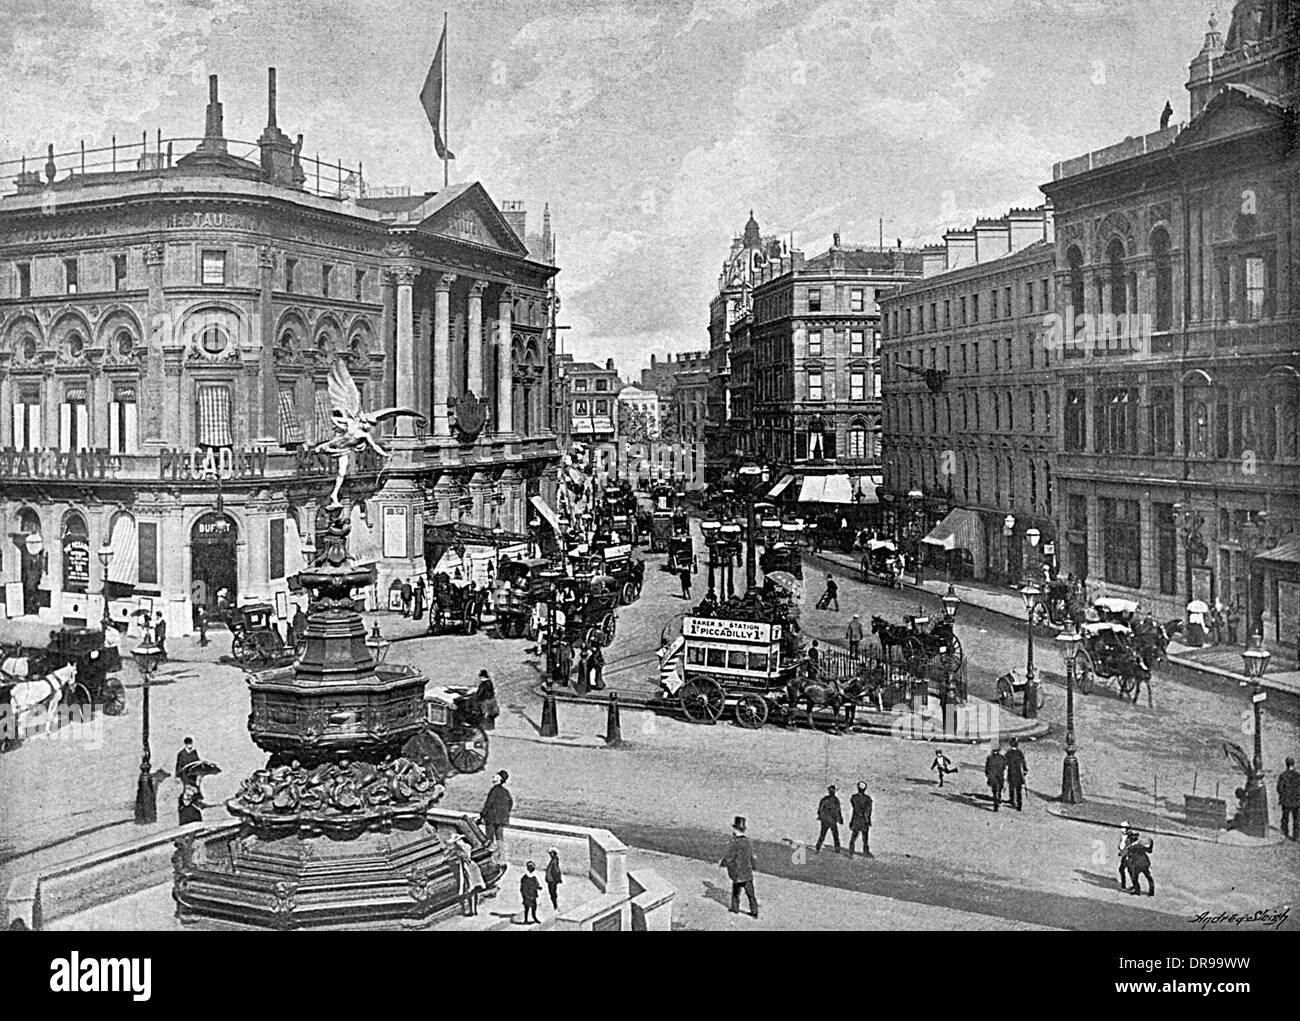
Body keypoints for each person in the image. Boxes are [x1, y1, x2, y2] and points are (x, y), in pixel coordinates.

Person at [719, 816, 758, 918]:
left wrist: (723, 863)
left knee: (736, 893)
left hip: (737, 873)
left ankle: (735, 909)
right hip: (747, 873)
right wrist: (753, 866)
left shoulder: (736, 843)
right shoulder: (748, 842)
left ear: (736, 830)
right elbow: (752, 856)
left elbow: (729, 857)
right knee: (751, 895)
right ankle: (754, 912)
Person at [478, 770, 513, 867]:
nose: (493, 776)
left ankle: (490, 860)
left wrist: (482, 815)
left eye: (496, 776)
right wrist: (504, 814)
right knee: (500, 838)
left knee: (489, 839)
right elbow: (510, 803)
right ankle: (501, 858)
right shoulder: (506, 792)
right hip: (501, 819)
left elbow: (488, 804)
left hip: (492, 819)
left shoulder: (493, 790)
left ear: (500, 779)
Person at [450, 834, 486, 916]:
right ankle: (475, 910)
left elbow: (460, 857)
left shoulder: (459, 850)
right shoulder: (467, 846)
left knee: (470, 889)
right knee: (476, 889)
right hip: (473, 866)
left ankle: (471, 910)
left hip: (467, 868)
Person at [848, 781, 873, 858]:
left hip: (856, 819)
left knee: (853, 836)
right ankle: (865, 852)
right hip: (864, 820)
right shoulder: (868, 799)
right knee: (865, 838)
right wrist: (868, 819)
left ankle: (851, 852)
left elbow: (854, 807)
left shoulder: (854, 797)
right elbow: (868, 811)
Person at [815, 785, 843, 854]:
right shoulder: (836, 800)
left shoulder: (825, 799)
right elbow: (838, 810)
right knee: (835, 835)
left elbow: (820, 810)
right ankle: (837, 850)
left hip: (826, 820)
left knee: (823, 835)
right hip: (832, 821)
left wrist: (821, 817)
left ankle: (818, 848)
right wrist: (840, 819)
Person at [1278, 757, 1300, 841]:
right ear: (1293, 764)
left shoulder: (1283, 775)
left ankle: (1285, 833)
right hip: (1296, 801)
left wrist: (1282, 796)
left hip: (1286, 801)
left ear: (1286, 764)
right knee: (1297, 819)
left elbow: (1279, 788)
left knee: (1285, 819)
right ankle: (1296, 836)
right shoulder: (1297, 775)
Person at [1005, 737, 1028, 811]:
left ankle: (1012, 800)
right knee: (1018, 790)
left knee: (1011, 787)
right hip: (1018, 774)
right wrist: (1025, 770)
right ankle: (1019, 804)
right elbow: (1023, 762)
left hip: (1011, 773)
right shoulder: (1019, 752)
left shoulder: (1008, 753)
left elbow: (1005, 763)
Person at [1116, 822, 1139, 890]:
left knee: (1128, 870)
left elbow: (1129, 847)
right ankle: (1127, 885)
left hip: (1128, 856)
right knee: (1124, 870)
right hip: (1126, 855)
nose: (1121, 829)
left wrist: (1123, 853)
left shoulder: (1130, 837)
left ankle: (1132, 886)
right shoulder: (1126, 836)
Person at [984, 745, 1007, 811]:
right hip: (1000, 776)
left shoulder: (989, 758)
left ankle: (996, 802)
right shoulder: (1002, 758)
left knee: (994, 791)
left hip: (992, 777)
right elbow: (1004, 767)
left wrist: (987, 775)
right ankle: (998, 798)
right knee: (999, 789)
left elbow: (987, 768)